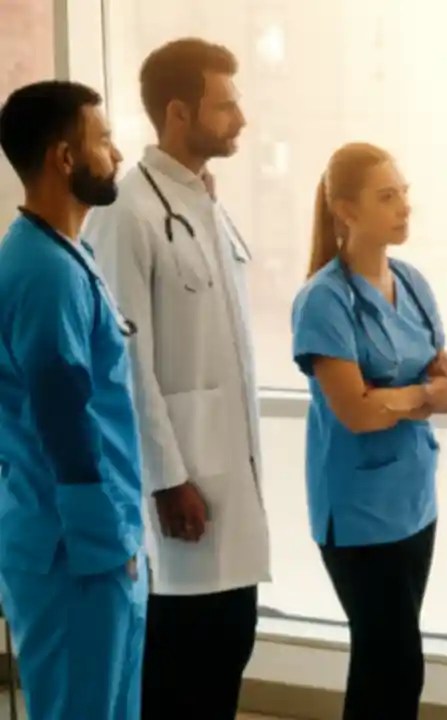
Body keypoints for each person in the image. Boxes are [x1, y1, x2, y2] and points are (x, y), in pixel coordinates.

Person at [84, 38, 270, 720]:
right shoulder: (127, 211)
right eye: (225, 106)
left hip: (229, 478)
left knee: (228, 651)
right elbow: (127, 360)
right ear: (178, 112)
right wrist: (167, 477)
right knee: (179, 675)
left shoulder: (204, 203)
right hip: (181, 490)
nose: (240, 119)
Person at [292, 142, 447, 719]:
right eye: (387, 197)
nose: (404, 207)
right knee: (390, 659)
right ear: (346, 210)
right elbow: (357, 411)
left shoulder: (411, 282)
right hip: (358, 509)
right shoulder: (323, 299)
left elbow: (443, 375)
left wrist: (408, 396)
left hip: (414, 498)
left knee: (396, 656)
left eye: (404, 193)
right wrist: (419, 397)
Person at [0, 80, 142, 719]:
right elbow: (63, 416)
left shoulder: (68, 255)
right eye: (103, 141)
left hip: (91, 542)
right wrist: (107, 539)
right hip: (75, 553)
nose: (115, 155)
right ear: (64, 158)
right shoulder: (46, 274)